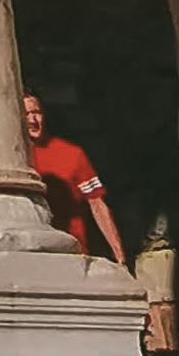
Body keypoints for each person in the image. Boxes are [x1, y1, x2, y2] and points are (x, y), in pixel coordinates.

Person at [22, 93, 128, 271]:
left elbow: (97, 202)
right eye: (26, 114)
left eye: (37, 112)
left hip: (73, 254)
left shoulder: (71, 154)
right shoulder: (13, 159)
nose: (33, 119)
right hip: (29, 254)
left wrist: (119, 255)